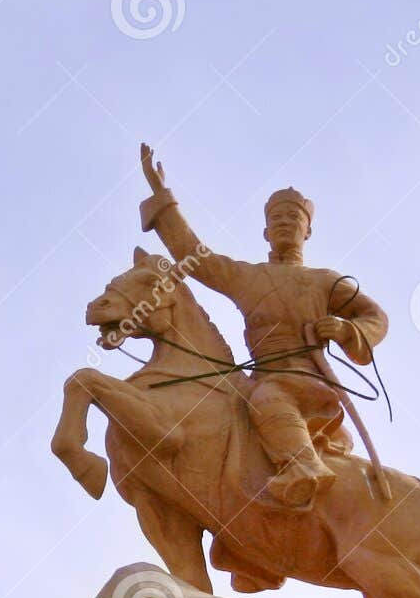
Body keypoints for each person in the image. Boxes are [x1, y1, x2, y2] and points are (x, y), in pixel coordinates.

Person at [138, 144, 388, 509]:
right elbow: (195, 255)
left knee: (267, 398)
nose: (286, 223)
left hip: (305, 383)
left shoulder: (325, 281)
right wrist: (163, 198)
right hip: (260, 380)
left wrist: (346, 330)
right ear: (266, 231)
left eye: (294, 219)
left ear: (308, 231)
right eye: (278, 219)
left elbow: (375, 317)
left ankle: (304, 467)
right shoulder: (247, 278)